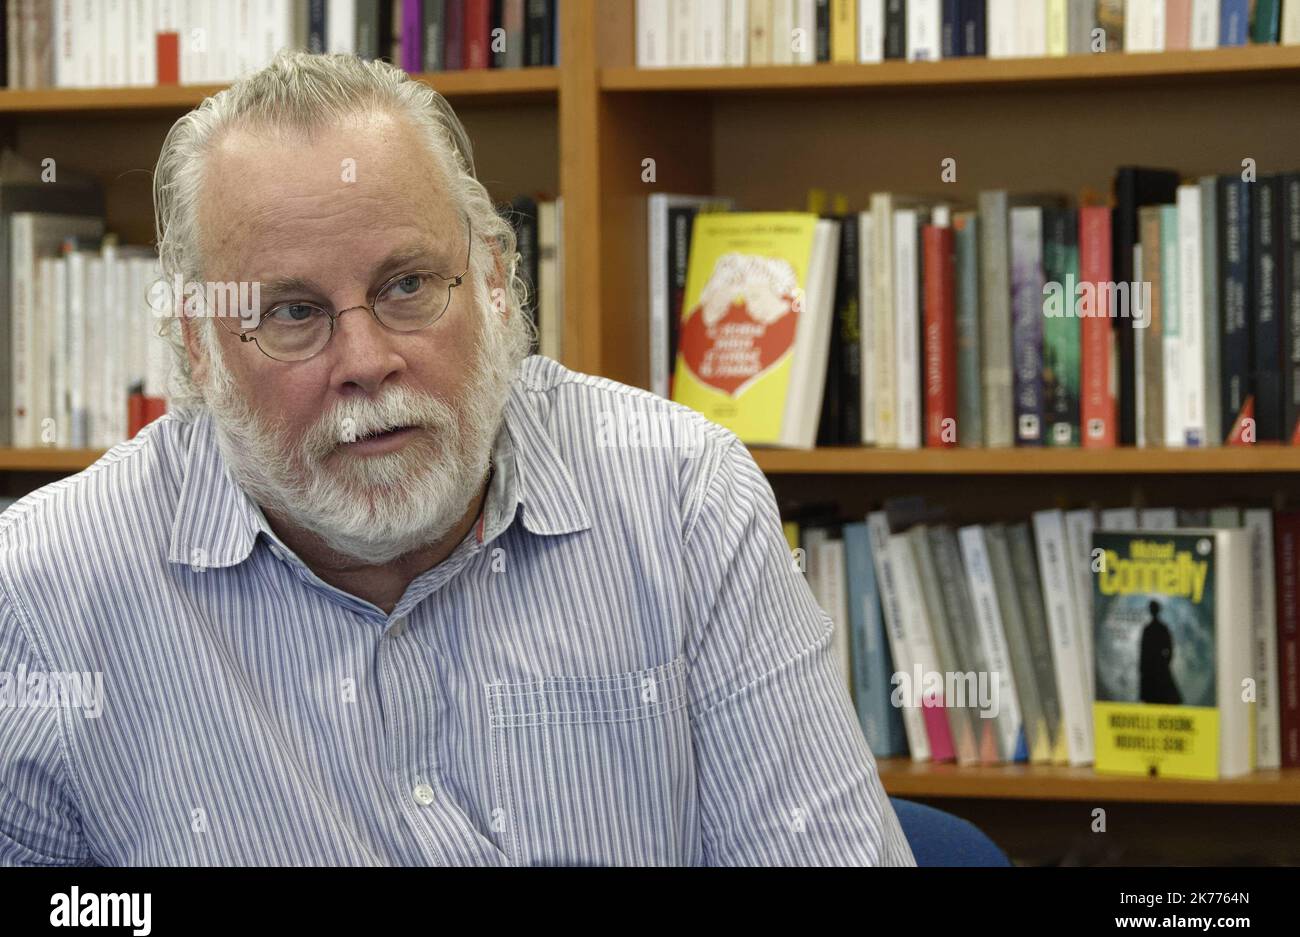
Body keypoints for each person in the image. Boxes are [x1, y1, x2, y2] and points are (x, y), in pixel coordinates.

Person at [0, 51, 913, 866]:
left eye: (407, 286)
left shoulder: (681, 501)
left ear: (495, 285)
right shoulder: (49, 587)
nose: (364, 362)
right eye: (291, 313)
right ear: (197, 349)